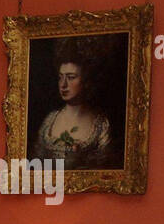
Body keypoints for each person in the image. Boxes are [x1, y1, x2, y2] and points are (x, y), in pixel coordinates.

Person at [33, 39, 119, 169]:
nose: (63, 84)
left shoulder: (100, 126)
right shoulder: (49, 120)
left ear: (86, 80)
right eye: (60, 77)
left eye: (71, 77)